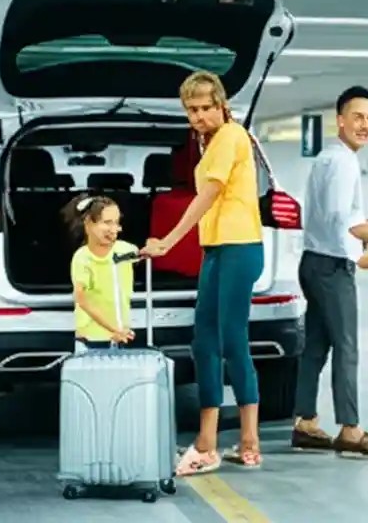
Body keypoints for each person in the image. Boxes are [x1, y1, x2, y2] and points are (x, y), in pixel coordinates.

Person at [143, 71, 265, 475]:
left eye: (204, 108)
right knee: (204, 340)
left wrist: (168, 240)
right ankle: (207, 442)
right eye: (190, 110)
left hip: (240, 247)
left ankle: (249, 441)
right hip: (216, 249)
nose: (197, 116)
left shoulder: (231, 135)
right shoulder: (207, 142)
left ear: (221, 106)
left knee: (232, 337)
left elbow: (209, 194)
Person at [291, 85, 368, 456]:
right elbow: (341, 221)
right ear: (340, 120)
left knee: (317, 346)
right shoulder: (342, 161)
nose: (365, 124)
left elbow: (341, 215)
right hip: (332, 266)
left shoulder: (328, 158)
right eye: (357, 116)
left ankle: (305, 422)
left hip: (314, 260)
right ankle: (350, 430)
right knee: (347, 347)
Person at [62, 193, 138, 351]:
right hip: (92, 338)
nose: (113, 229)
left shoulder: (124, 249)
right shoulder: (83, 258)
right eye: (107, 223)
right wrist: (113, 329)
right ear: (88, 224)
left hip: (120, 335)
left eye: (116, 223)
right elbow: (82, 300)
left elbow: (142, 253)